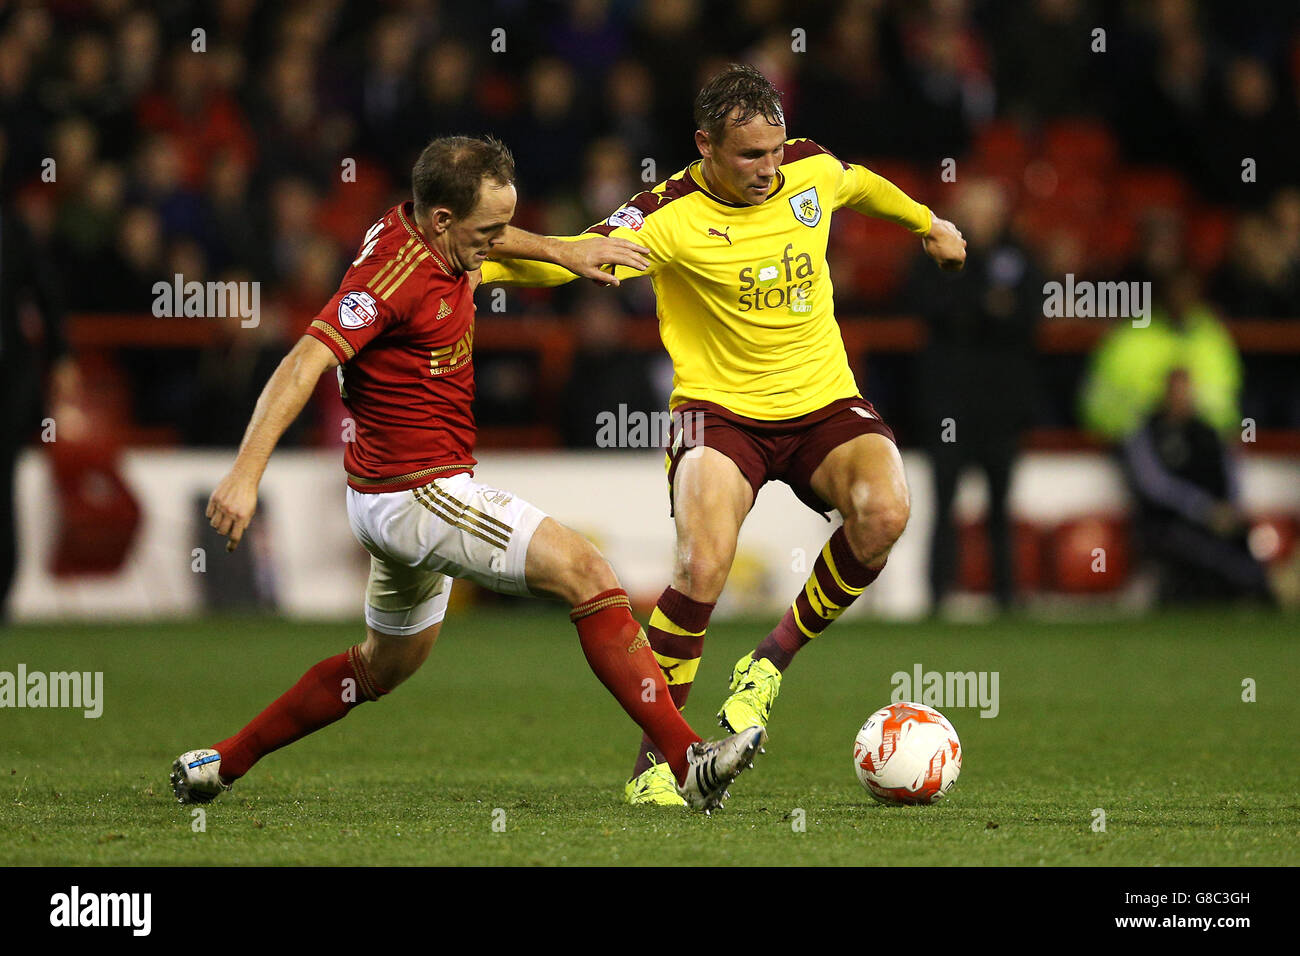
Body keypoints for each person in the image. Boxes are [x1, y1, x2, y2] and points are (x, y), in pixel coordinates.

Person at [170, 136, 764, 813]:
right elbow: (303, 362)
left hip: (384, 494)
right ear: (444, 221)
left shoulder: (428, 224)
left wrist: (564, 250)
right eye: (486, 231)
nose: (495, 242)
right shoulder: (389, 279)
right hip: (417, 490)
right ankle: (688, 760)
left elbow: (502, 236)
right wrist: (246, 475)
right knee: (588, 573)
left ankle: (222, 763)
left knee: (379, 667)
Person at [481, 66, 966, 805]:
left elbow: (861, 183)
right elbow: (583, 256)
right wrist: (482, 260)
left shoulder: (808, 167)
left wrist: (928, 223)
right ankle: (659, 766)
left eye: (774, 150)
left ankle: (769, 663)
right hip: (719, 413)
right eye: (749, 156)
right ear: (704, 144)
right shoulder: (666, 214)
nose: (769, 169)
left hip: (824, 404)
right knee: (703, 565)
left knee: (885, 514)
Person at [904, 178, 1041, 611]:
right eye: (975, 211)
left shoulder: (1018, 255)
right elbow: (924, 304)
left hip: (1001, 405)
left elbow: (1029, 313)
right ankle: (937, 596)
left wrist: (971, 309)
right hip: (950, 404)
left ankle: (1005, 597)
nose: (982, 221)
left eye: (989, 212)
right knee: (943, 503)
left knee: (1001, 506)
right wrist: (985, 306)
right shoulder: (933, 248)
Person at [1123, 368, 1274, 605]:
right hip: (1168, 523)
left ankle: (1263, 585)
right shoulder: (1147, 432)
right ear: (1165, 394)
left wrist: (1229, 508)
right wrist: (1204, 510)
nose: (1182, 397)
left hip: (1216, 519)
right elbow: (1155, 485)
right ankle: (1260, 586)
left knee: (1247, 538)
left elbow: (1231, 472)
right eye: (1176, 391)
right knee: (1210, 554)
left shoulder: (1208, 432)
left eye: (1186, 391)